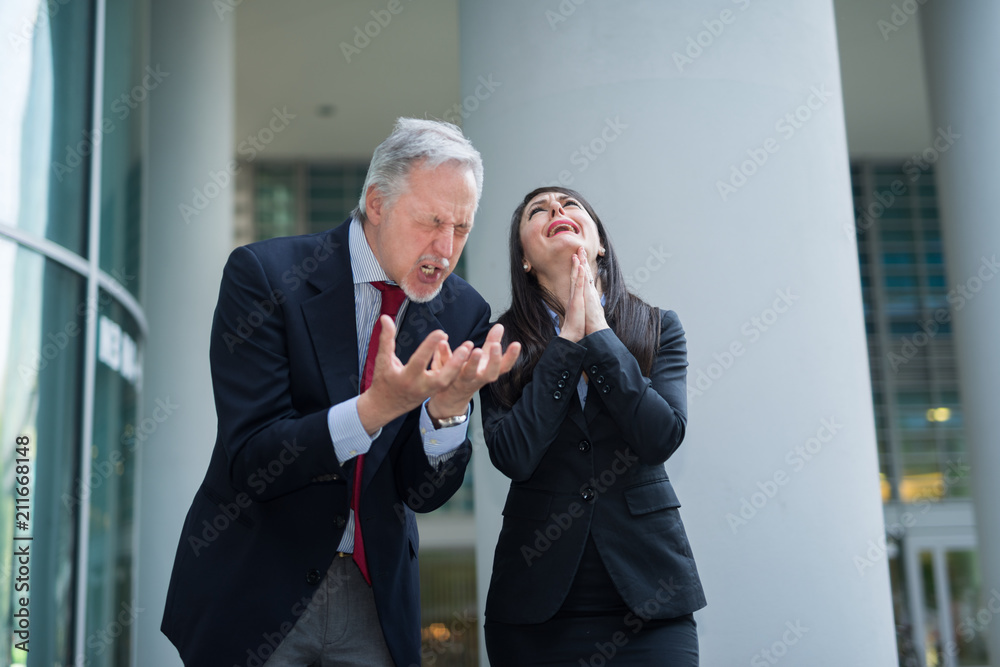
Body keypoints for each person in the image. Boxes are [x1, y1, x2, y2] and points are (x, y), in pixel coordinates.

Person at [161, 118, 519, 667]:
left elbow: (421, 493)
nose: (446, 248)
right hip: (256, 585)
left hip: (374, 598)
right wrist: (373, 411)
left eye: (462, 227)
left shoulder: (463, 311)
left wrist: (448, 414)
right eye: (432, 221)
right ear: (376, 203)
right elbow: (254, 456)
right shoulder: (264, 276)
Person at [480, 186, 706, 666]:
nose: (555, 209)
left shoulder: (659, 327)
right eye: (537, 211)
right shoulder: (499, 343)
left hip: (652, 599)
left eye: (569, 204)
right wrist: (565, 343)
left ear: (599, 243)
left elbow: (661, 436)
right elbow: (513, 455)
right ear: (525, 260)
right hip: (533, 610)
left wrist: (599, 334)